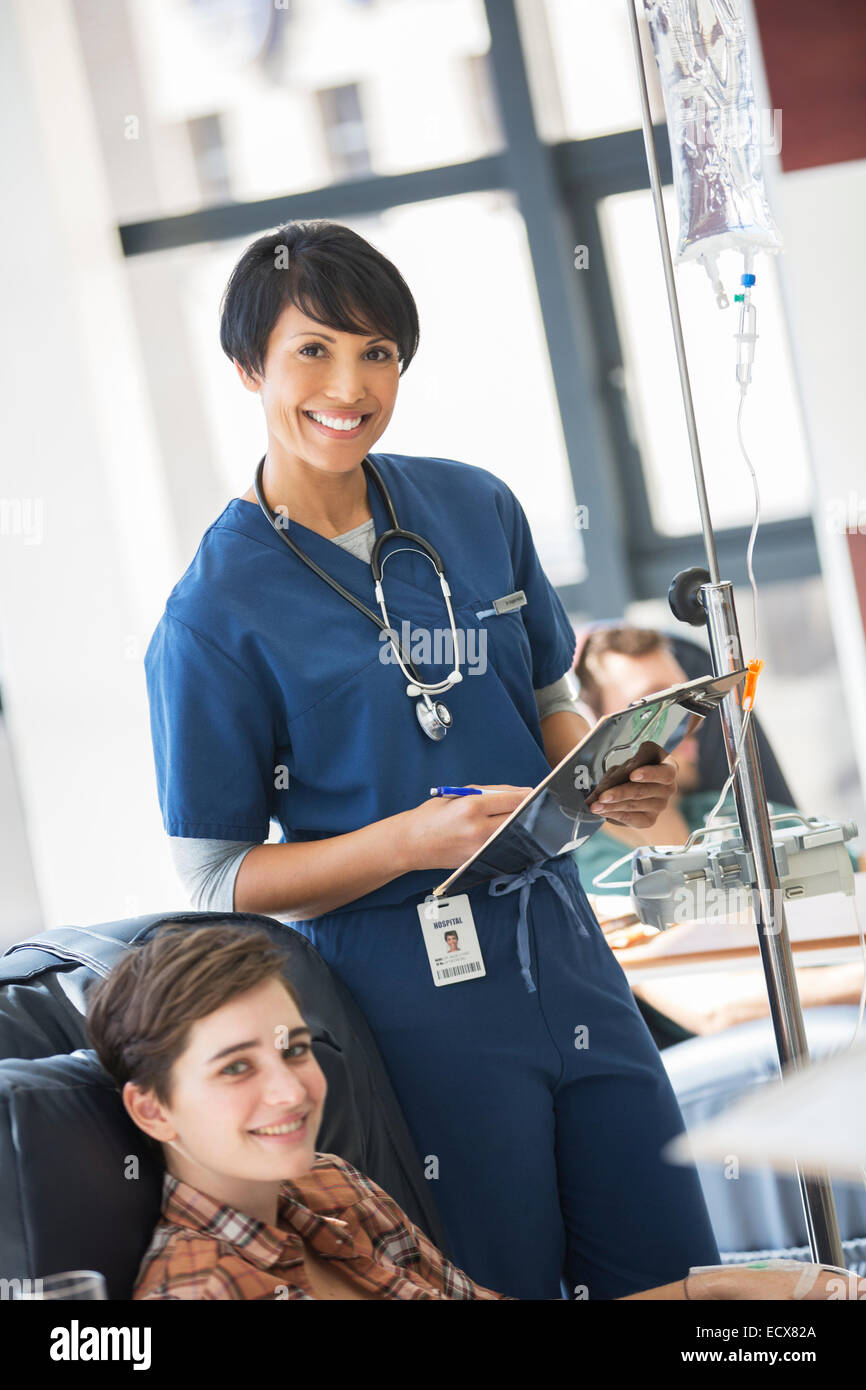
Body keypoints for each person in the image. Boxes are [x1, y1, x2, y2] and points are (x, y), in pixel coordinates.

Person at [143, 218, 717, 1300]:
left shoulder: (472, 506)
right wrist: (406, 839)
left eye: (377, 353)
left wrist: (605, 780)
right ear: (246, 366)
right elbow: (217, 875)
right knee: (493, 1281)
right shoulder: (211, 613)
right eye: (311, 349)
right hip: (404, 993)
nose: (348, 385)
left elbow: (547, 694)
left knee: (667, 1270)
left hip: (561, 938)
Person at [85, 925, 862, 1302]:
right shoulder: (199, 1290)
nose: (290, 1091)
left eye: (293, 1047)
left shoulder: (332, 1188)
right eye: (235, 1068)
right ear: (152, 1110)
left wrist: (724, 1296)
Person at [572, 624, 864, 1041]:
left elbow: (853, 867)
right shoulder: (592, 874)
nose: (689, 720)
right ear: (588, 729)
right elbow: (714, 1008)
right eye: (656, 701)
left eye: (685, 697)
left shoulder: (728, 811)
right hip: (773, 1041)